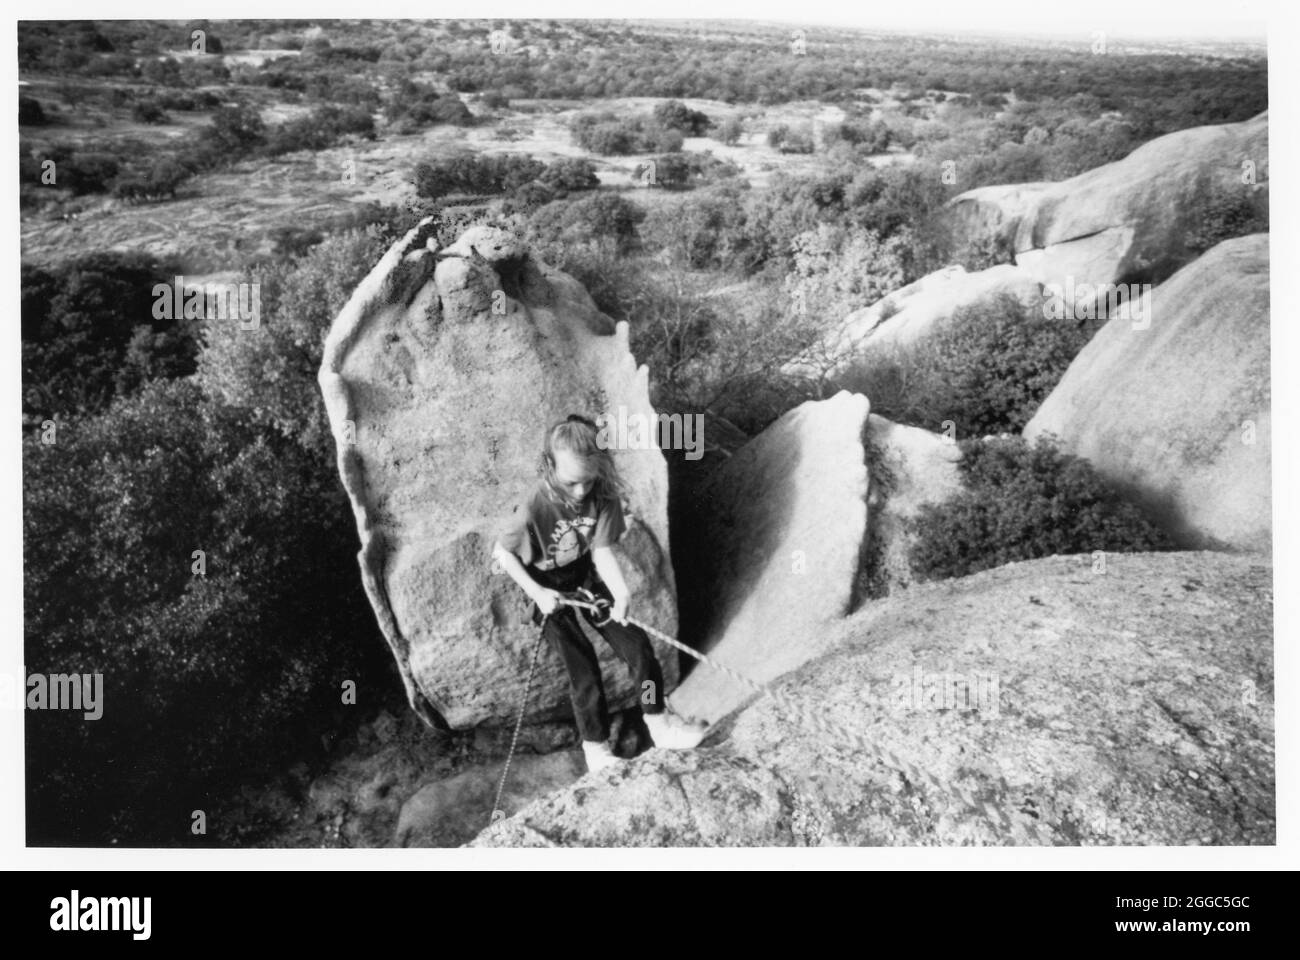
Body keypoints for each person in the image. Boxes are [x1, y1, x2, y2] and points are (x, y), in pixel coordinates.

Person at [492, 415, 707, 772]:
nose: (580, 491)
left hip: (583, 575)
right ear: (550, 466)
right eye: (572, 482)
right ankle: (596, 749)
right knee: (584, 670)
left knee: (637, 647)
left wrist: (620, 594)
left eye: (588, 481)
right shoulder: (535, 506)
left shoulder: (602, 496)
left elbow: (602, 550)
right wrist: (539, 592)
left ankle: (659, 721)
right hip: (543, 583)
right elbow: (504, 554)